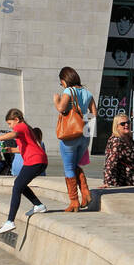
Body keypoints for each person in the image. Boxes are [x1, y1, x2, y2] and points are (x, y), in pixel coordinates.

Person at [0, 109, 48, 234]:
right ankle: (38, 205)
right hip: (37, 160)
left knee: (17, 187)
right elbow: (23, 148)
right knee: (20, 185)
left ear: (16, 120)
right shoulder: (25, 129)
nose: (10, 127)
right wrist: (11, 150)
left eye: (10, 124)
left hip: (35, 161)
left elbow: (13, 134)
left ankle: (10, 221)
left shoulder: (21, 126)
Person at [53, 66, 95, 212]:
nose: (62, 85)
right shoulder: (88, 93)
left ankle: (74, 202)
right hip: (84, 134)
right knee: (75, 165)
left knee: (69, 168)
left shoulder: (68, 91)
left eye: (61, 82)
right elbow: (94, 114)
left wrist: (56, 100)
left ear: (65, 80)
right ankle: (85, 193)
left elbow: (61, 108)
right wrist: (83, 124)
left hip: (70, 136)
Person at [102, 114, 134, 187]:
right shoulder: (116, 141)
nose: (126, 125)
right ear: (116, 126)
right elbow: (111, 163)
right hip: (123, 180)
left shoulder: (129, 138)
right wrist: (108, 182)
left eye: (128, 122)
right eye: (122, 124)